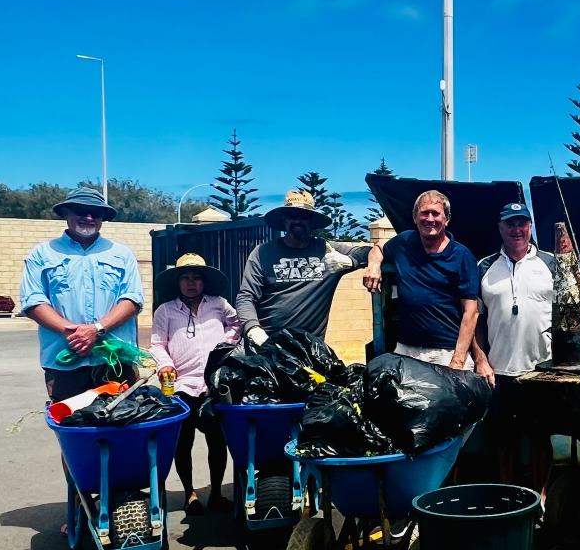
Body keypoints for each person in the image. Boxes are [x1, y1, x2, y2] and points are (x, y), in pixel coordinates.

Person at [19, 186, 144, 534]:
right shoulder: (42, 254)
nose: (88, 217)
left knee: (125, 429)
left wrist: (97, 329)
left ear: (103, 218)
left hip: (114, 362)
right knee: (75, 436)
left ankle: (124, 500)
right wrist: (74, 331)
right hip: (66, 365)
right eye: (80, 211)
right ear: (66, 214)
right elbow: (32, 301)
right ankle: (79, 503)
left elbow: (132, 299)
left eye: (95, 213)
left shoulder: (121, 254)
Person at [470, 202, 555, 489]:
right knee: (503, 439)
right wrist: (481, 359)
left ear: (530, 227)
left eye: (522, 223)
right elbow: (474, 320)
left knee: (540, 438)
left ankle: (540, 498)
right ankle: (508, 494)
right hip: (500, 372)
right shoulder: (484, 266)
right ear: (500, 228)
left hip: (541, 371)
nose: (516, 230)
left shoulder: (551, 262)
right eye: (510, 224)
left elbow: (569, 314)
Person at [150, 254, 240, 515]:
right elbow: (157, 343)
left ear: (204, 281)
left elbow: (236, 325)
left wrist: (225, 346)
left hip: (213, 386)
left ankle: (215, 492)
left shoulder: (219, 304)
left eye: (197, 278)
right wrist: (164, 364)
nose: (191, 283)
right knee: (183, 442)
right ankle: (190, 493)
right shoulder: (166, 310)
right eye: (186, 278)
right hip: (182, 386)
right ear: (178, 282)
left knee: (217, 441)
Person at [236, 190, 372, 345]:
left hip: (310, 347)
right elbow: (246, 297)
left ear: (311, 221)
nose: (298, 221)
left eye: (304, 216)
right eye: (292, 216)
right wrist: (253, 327)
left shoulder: (326, 250)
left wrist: (350, 260)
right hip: (268, 344)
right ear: (284, 220)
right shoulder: (262, 252)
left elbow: (371, 252)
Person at [363, 189, 479, 369]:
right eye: (424, 213)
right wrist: (374, 266)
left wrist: (458, 359)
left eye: (436, 213)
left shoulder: (462, 256)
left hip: (445, 353)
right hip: (406, 350)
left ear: (446, 219)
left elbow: (470, 312)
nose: (430, 218)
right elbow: (378, 249)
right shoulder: (404, 242)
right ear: (415, 217)